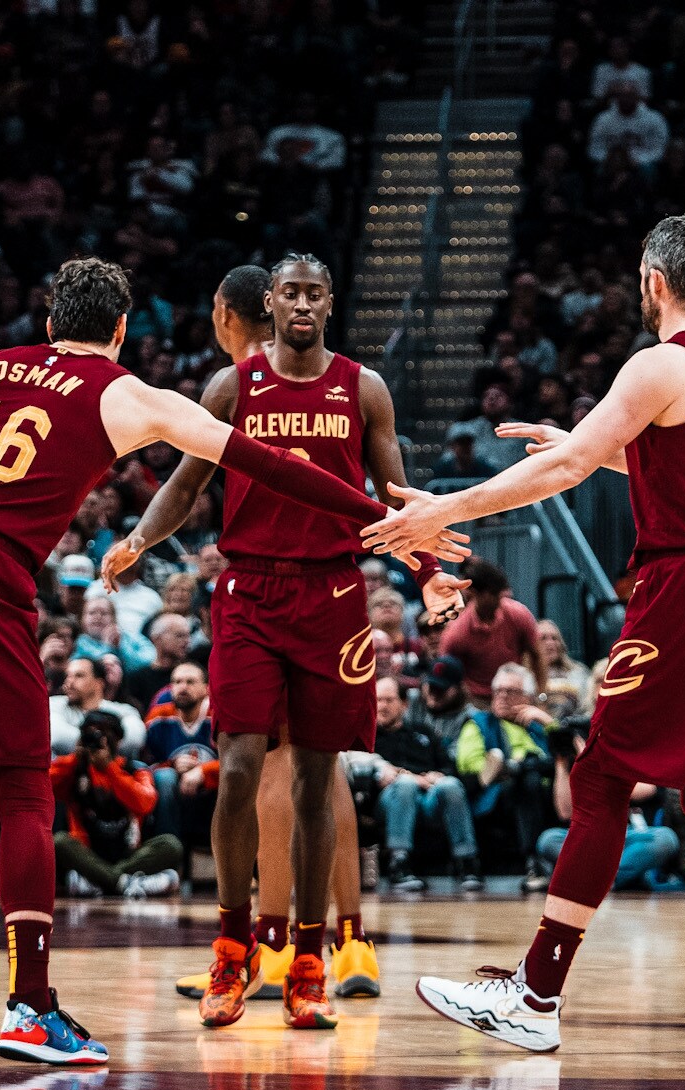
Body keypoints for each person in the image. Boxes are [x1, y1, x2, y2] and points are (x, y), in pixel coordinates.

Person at [0, 256, 450, 1062]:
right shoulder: (130, 394)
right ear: (118, 331)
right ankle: (31, 1007)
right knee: (22, 792)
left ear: (46, 324)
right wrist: (407, 533)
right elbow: (267, 465)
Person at [368, 213, 685, 1052]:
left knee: (601, 778)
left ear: (654, 282)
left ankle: (535, 995)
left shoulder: (659, 362)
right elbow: (672, 462)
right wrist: (587, 443)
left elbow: (562, 471)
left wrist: (443, 511)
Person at [103, 256, 469, 1028]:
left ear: (329, 304)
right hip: (249, 592)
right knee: (236, 770)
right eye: (289, 292)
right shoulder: (233, 387)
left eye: (314, 292)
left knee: (313, 782)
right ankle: (233, 950)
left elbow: (396, 499)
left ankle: (309, 958)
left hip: (333, 596)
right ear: (270, 303)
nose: (301, 303)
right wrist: (138, 538)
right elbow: (185, 483)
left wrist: (429, 571)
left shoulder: (364, 388)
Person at [535, 719, 679, 891]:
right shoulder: (569, 767)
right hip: (588, 839)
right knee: (548, 839)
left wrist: (589, 759)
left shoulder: (625, 757)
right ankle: (612, 878)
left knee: (665, 838)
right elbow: (566, 812)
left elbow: (642, 790)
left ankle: (605, 878)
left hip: (627, 837)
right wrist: (560, 762)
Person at [51, 710, 181, 899]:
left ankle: (102, 882)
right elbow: (45, 784)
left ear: (117, 740)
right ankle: (126, 884)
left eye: (102, 734)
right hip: (88, 854)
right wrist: (75, 758)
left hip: (130, 854)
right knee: (59, 842)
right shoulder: (75, 770)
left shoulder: (133, 769)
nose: (97, 740)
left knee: (171, 845)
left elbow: (145, 803)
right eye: (89, 734)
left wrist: (109, 768)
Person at [374, 675, 482, 891]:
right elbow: (369, 773)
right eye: (377, 700)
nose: (381, 706)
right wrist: (412, 778)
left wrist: (437, 775)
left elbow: (448, 767)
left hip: (427, 799)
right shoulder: (369, 737)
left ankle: (467, 861)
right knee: (404, 784)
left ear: (404, 704)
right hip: (389, 801)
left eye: (388, 700)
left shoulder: (423, 733)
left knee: (450, 784)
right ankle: (399, 863)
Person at [455, 662, 554, 884]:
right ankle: (533, 862)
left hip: (549, 791)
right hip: (497, 794)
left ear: (527, 697)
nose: (502, 696)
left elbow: (570, 751)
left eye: (511, 691)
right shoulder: (479, 724)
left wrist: (546, 720)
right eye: (498, 690)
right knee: (527, 779)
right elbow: (474, 769)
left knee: (532, 773)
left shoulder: (536, 726)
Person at [439, 559, 545, 706]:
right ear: (474, 593)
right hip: (476, 701)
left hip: (515, 695)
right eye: (494, 594)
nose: (500, 598)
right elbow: (446, 673)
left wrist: (541, 696)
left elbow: (538, 656)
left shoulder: (518, 614)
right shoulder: (456, 632)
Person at [143, 661, 218, 850]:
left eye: (190, 682)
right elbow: (143, 766)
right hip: (176, 792)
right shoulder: (158, 718)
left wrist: (203, 771)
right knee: (164, 778)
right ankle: (168, 851)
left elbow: (240, 762)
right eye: (177, 682)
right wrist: (171, 765)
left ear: (206, 689)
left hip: (216, 789)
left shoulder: (218, 716)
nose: (182, 687)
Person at [50, 656, 146, 760]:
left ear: (99, 683)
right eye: (67, 676)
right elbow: (57, 737)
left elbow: (135, 740)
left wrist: (89, 744)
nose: (69, 682)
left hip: (110, 773)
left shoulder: (124, 711)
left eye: (79, 676)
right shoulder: (53, 704)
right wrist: (104, 745)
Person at [126, 612, 191, 711]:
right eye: (179, 636)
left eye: (187, 636)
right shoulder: (137, 680)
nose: (186, 641)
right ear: (157, 638)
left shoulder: (193, 674)